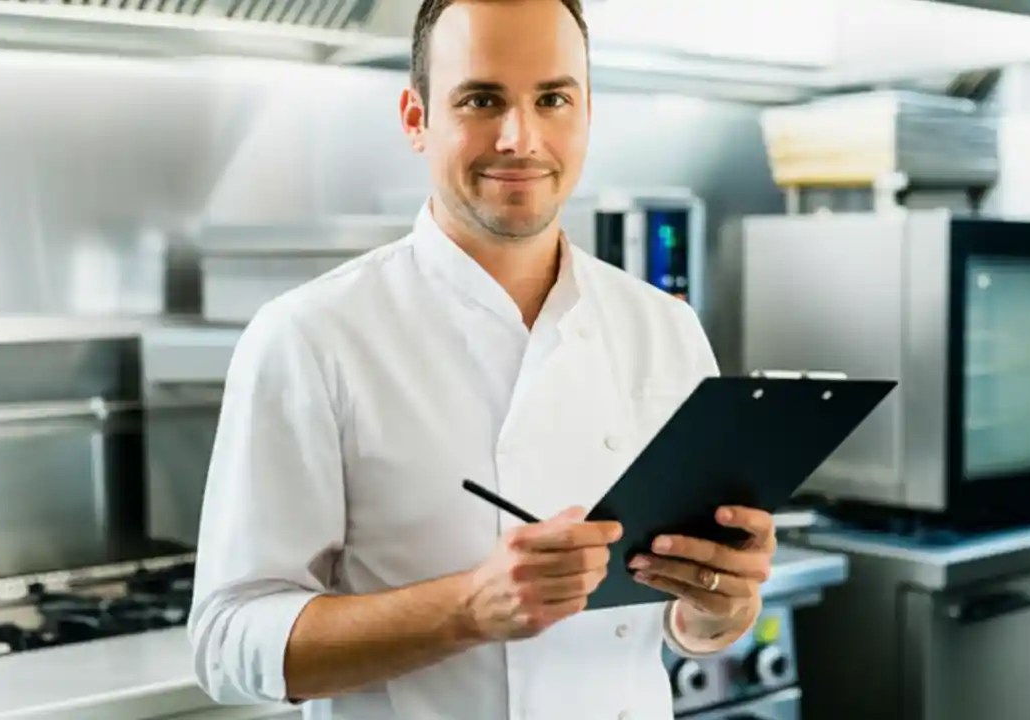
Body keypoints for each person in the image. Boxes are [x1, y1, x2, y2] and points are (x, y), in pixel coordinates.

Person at [188, 0, 777, 718]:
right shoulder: (310, 336)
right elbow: (226, 643)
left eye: (552, 99)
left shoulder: (665, 329)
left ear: (587, 113)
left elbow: (685, 626)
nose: (519, 137)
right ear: (415, 118)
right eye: (480, 98)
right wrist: (468, 607)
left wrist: (721, 607)